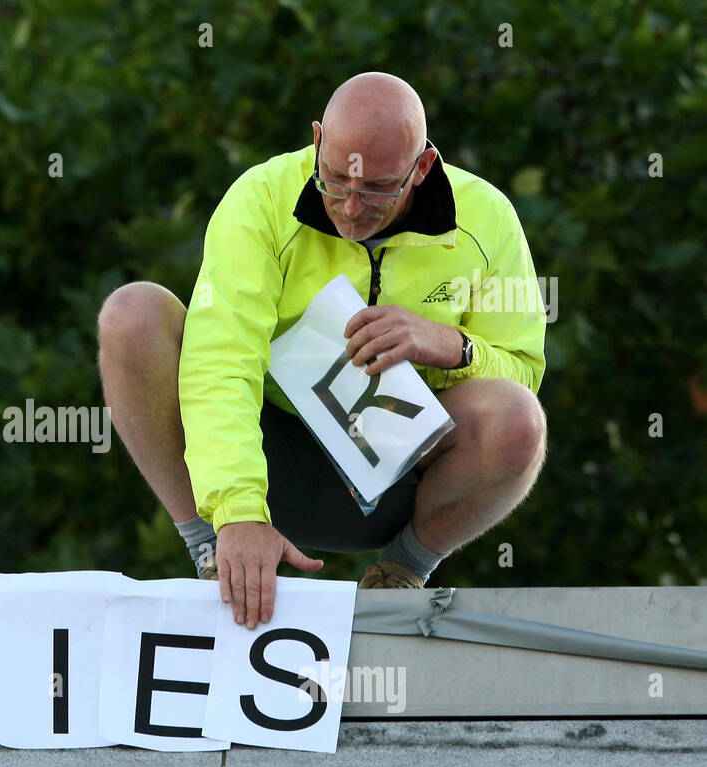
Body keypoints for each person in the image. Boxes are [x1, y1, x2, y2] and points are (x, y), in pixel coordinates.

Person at [97, 72, 548, 629]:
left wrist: (452, 346)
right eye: (334, 179)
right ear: (316, 141)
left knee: (518, 418)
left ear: (423, 168)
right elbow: (222, 361)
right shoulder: (261, 199)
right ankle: (212, 550)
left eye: (379, 188)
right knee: (132, 315)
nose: (352, 208)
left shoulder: (489, 219)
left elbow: (521, 374)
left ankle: (402, 571)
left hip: (401, 482)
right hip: (271, 458)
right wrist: (237, 511)